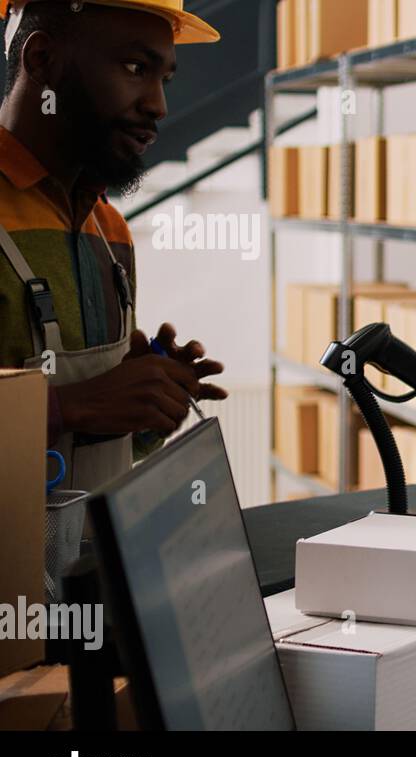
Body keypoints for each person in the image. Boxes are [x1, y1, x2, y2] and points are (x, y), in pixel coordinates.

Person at [0, 0, 224, 492]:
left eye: (163, 78)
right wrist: (71, 404)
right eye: (134, 68)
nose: (158, 105)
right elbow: (79, 409)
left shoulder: (109, 231)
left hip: (83, 564)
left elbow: (88, 442)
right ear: (41, 61)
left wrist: (145, 412)